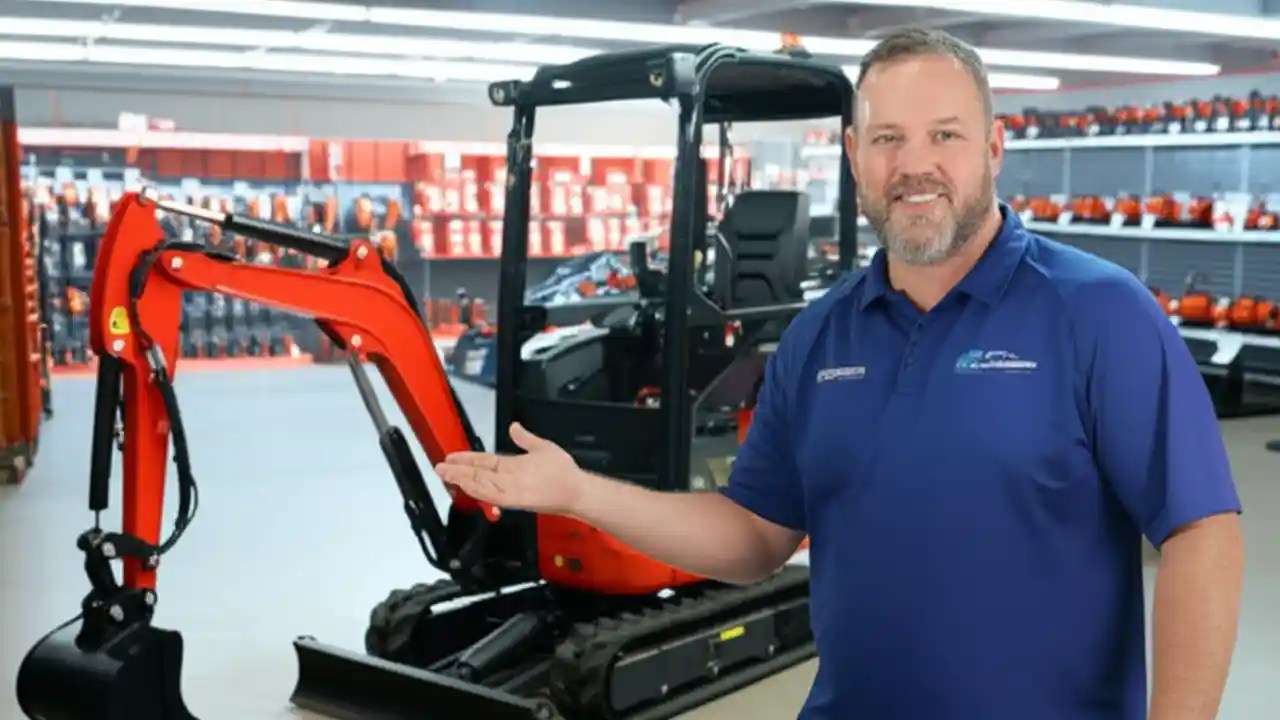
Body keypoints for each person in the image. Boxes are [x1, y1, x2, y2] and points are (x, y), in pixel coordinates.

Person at [436, 26, 1245, 720]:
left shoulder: (1099, 314)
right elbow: (755, 538)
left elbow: (1201, 530)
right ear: (855, 154)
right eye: (888, 138)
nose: (914, 164)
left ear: (995, 147)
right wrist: (582, 495)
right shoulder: (820, 338)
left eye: (946, 135)